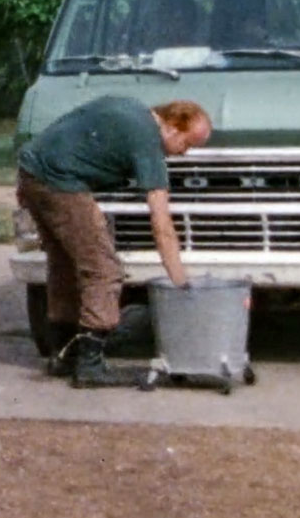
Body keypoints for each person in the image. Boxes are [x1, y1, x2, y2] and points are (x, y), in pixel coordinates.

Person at [16, 95, 212, 387]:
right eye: (187, 144)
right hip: (60, 182)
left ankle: (63, 353)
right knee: (104, 269)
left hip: (31, 172)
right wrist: (180, 283)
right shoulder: (147, 140)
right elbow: (162, 224)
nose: (184, 153)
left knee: (65, 264)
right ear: (172, 127)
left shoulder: (130, 109)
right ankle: (90, 364)